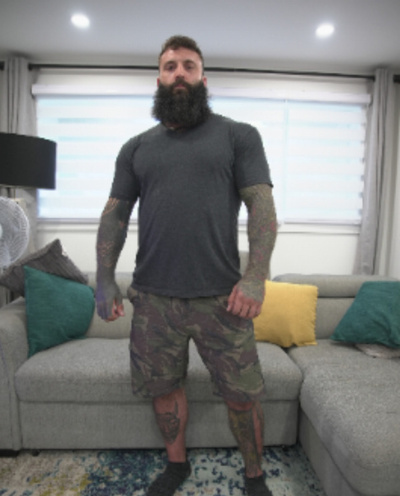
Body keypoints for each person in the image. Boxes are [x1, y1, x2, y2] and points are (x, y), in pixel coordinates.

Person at [96, 35, 277, 496]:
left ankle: (254, 476)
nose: (179, 73)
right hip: (154, 299)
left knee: (242, 395)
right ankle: (176, 467)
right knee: (163, 389)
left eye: (189, 66)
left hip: (224, 299)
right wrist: (103, 279)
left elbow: (261, 207)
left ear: (203, 79)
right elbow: (115, 214)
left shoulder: (238, 136)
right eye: (170, 66)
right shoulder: (136, 148)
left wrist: (255, 277)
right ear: (159, 78)